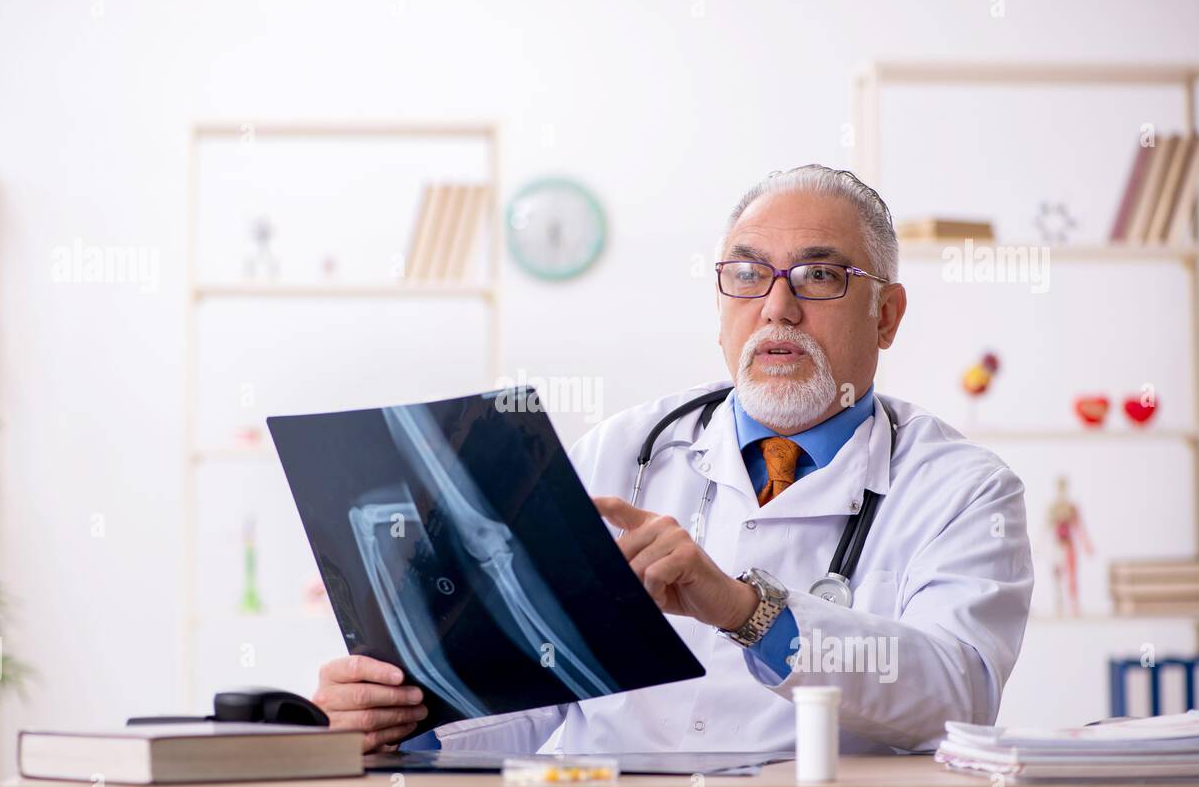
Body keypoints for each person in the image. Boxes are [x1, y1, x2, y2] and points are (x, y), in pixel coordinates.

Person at [312, 164, 1034, 755]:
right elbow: (533, 697)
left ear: (886, 315)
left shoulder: (962, 490)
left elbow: (959, 691)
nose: (777, 308)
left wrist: (749, 610)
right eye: (749, 275)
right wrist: (404, 721)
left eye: (818, 277)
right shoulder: (618, 451)